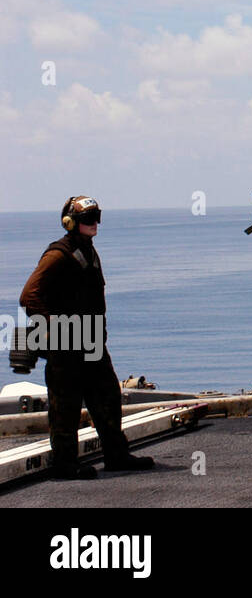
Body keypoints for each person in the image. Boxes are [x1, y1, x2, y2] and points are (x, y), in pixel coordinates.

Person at [19, 197, 154, 479]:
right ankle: (65, 464)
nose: (93, 222)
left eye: (95, 216)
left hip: (90, 340)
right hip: (67, 344)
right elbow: (29, 295)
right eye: (87, 217)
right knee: (65, 406)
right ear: (70, 222)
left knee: (107, 396)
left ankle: (116, 455)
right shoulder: (58, 254)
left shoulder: (88, 252)